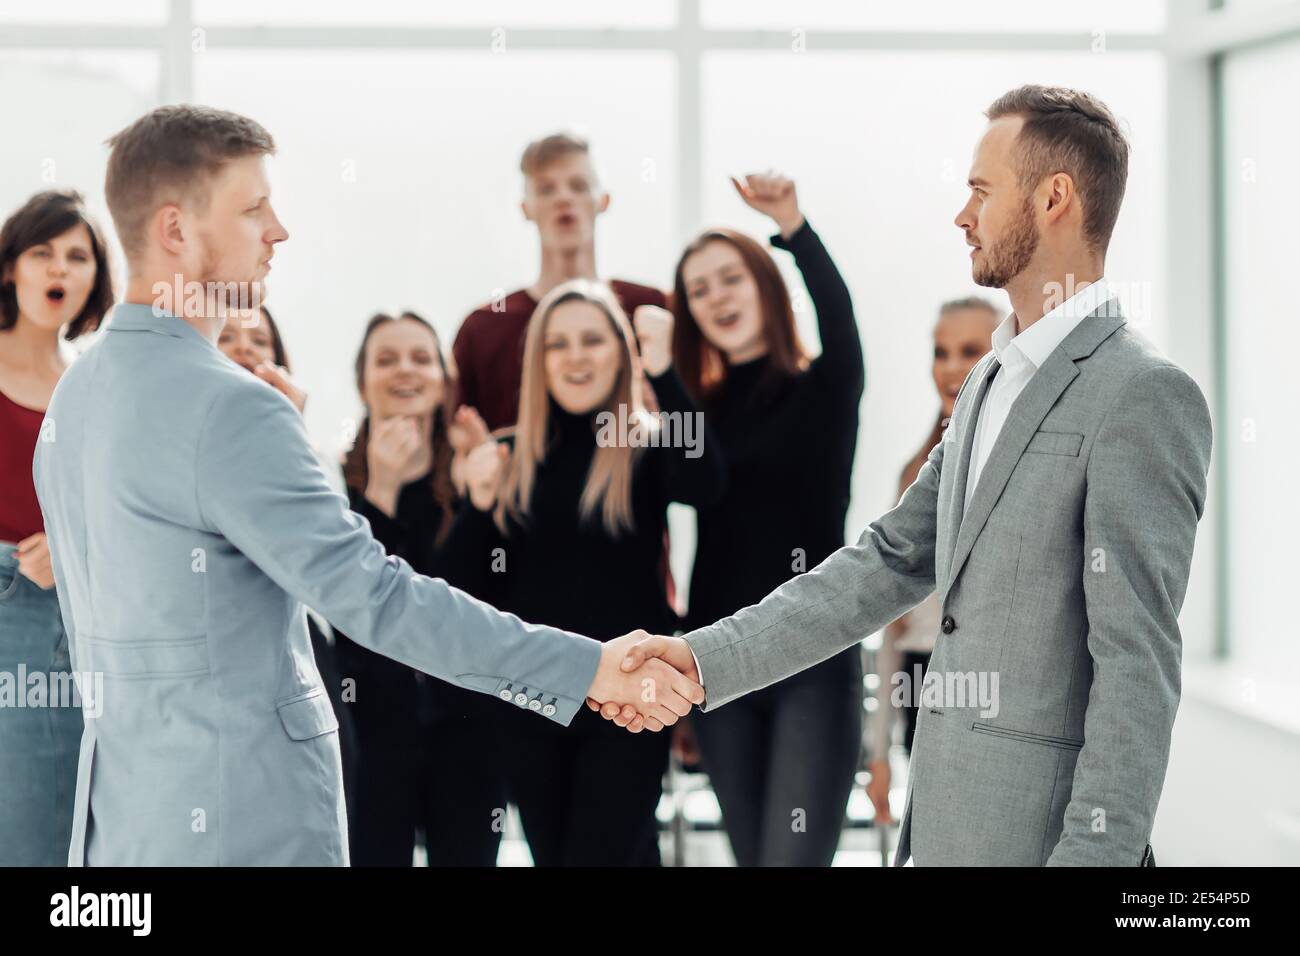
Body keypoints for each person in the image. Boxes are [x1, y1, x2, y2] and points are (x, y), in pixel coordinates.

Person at [32, 104, 701, 867]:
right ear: (176, 231)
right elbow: (377, 597)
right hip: (244, 824)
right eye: (253, 208)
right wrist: (587, 668)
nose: (277, 230)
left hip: (123, 833)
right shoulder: (231, 405)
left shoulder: (74, 399)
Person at [604, 85, 1214, 868]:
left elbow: (1138, 667)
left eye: (981, 192)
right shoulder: (995, 379)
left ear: (1054, 198)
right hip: (941, 832)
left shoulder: (1142, 393)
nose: (964, 216)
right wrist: (700, 658)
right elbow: (885, 562)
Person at [447, 280, 724, 865]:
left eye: (593, 341)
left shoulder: (647, 448)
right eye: (558, 344)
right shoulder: (506, 455)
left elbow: (707, 483)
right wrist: (476, 503)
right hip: (534, 701)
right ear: (537, 360)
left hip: (628, 703)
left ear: (623, 354)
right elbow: (459, 588)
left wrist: (667, 373)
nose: (575, 357)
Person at [670, 172, 865, 866]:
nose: (716, 297)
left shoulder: (825, 388)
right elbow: (693, 484)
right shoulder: (700, 413)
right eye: (699, 289)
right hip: (720, 660)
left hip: (814, 656)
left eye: (729, 278)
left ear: (763, 283)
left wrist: (793, 226)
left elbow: (840, 323)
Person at [332, 311, 508, 867]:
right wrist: (379, 493)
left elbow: (465, 599)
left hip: (468, 727)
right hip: (371, 730)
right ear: (363, 382)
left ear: (442, 378)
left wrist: (479, 502)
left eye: (419, 357)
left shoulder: (474, 471)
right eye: (386, 359)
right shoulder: (332, 481)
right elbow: (353, 605)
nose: (404, 370)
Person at [0, 189, 114, 866]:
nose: (60, 271)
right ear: (10, 267)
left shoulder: (96, 387)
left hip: (77, 621)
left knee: (55, 826)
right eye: (42, 253)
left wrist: (74, 551)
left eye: (78, 257)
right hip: (10, 605)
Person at [215, 304, 359, 818]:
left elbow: (332, 554)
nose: (246, 348)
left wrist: (288, 437)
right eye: (226, 336)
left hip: (305, 652)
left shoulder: (311, 451)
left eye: (260, 340)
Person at [865, 296, 998, 825]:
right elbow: (895, 628)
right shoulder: (915, 476)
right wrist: (878, 754)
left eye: (969, 351)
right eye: (940, 353)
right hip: (924, 683)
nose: (950, 368)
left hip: (997, 685)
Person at [452, 132, 665, 432]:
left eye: (578, 185)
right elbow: (456, 439)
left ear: (603, 200)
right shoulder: (484, 328)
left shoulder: (649, 308)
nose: (564, 198)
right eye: (546, 189)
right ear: (525, 208)